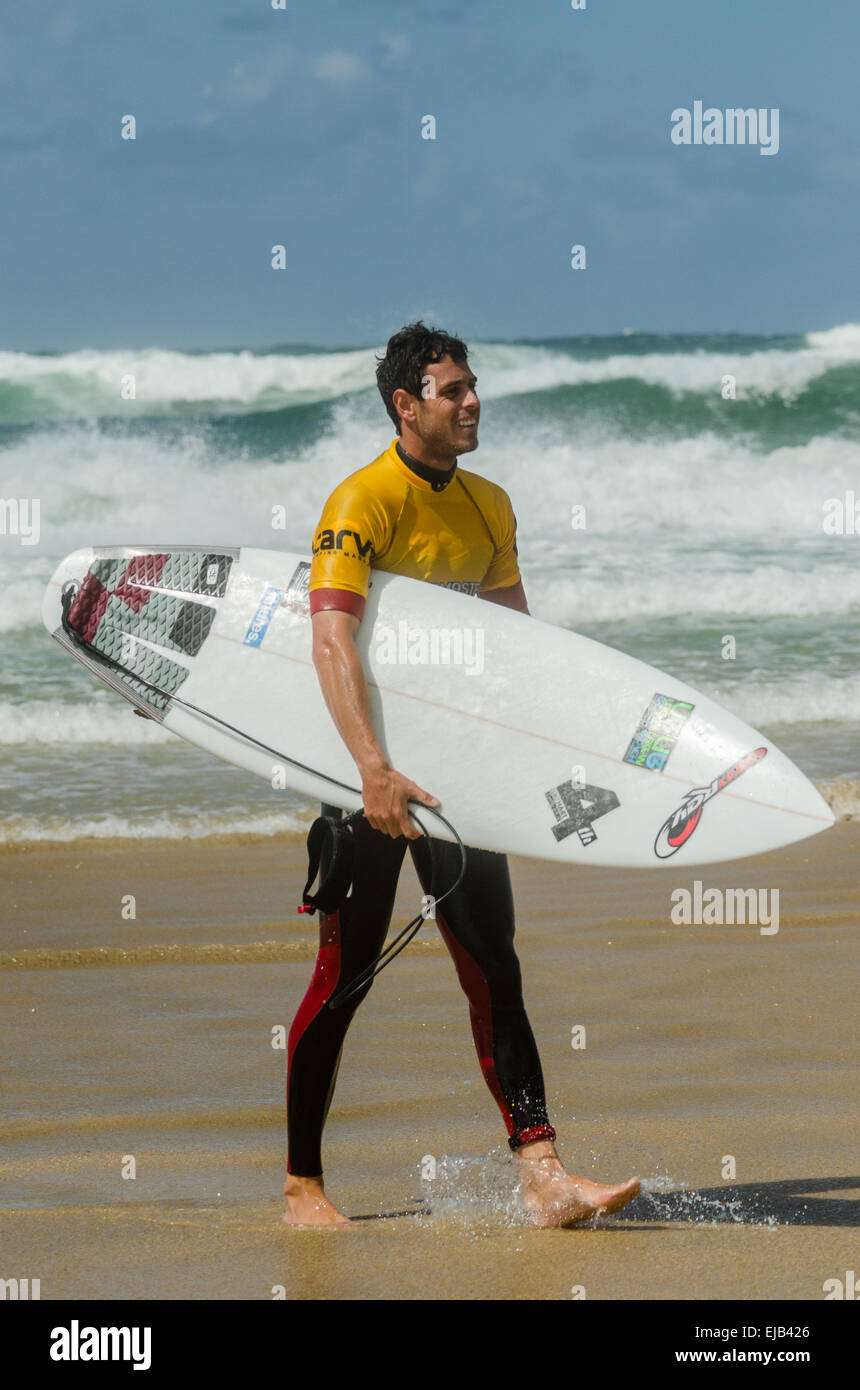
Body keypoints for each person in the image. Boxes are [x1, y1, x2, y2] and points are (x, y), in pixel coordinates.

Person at [283, 322, 640, 1228]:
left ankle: (544, 1174)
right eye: (452, 391)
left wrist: (548, 758)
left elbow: (511, 652)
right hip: (366, 771)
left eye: (472, 385)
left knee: (495, 968)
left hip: (460, 778)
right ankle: (303, 1189)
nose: (472, 400)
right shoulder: (361, 501)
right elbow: (331, 642)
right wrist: (372, 770)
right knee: (347, 973)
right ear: (407, 406)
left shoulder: (490, 505)